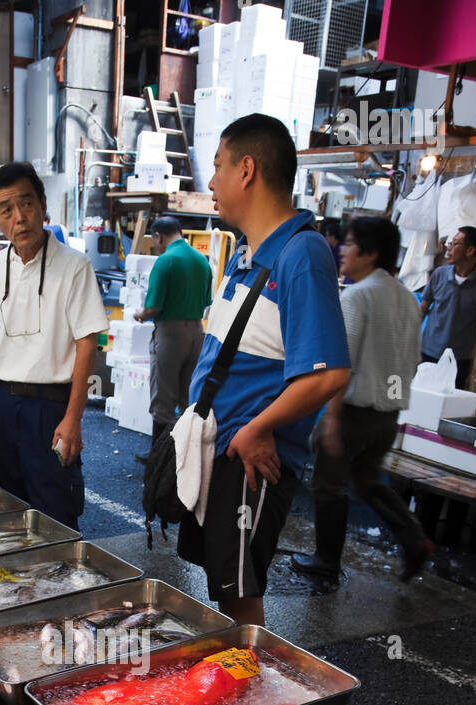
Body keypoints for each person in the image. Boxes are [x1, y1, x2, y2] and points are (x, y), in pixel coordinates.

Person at [177, 114, 351, 626]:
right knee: (226, 588)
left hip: (251, 458)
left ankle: (247, 696)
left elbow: (328, 373)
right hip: (223, 447)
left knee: (241, 596)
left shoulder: (304, 254)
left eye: (217, 167)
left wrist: (257, 428)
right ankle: (232, 685)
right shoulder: (247, 253)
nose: (210, 182)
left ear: (246, 170)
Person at [0, 161, 108, 529]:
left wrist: (73, 419)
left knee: (55, 511)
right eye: (6, 209)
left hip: (50, 409)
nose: (19, 217)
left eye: (26, 204)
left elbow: (86, 344)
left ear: (43, 205)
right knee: (2, 512)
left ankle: (60, 586)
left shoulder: (75, 266)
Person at [292, 216, 433, 584]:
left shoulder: (357, 295)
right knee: (368, 482)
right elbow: (413, 360)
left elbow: (343, 362)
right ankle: (414, 538)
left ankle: (326, 561)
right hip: (387, 416)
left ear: (370, 253)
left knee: (327, 485)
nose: (343, 250)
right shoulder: (407, 297)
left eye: (351, 244)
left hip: (352, 413)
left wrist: (332, 417)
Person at [133, 215, 212, 461]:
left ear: (158, 236)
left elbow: (153, 307)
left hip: (170, 334)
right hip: (197, 333)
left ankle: (158, 456)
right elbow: (207, 302)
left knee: (163, 396)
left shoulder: (165, 261)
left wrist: (140, 314)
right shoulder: (202, 261)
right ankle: (185, 456)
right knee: (189, 396)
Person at [420, 226, 476, 390]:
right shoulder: (439, 275)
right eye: (450, 243)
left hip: (458, 361)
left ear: (470, 250)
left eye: (455, 244)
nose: (448, 248)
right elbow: (422, 310)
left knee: (448, 408)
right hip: (428, 353)